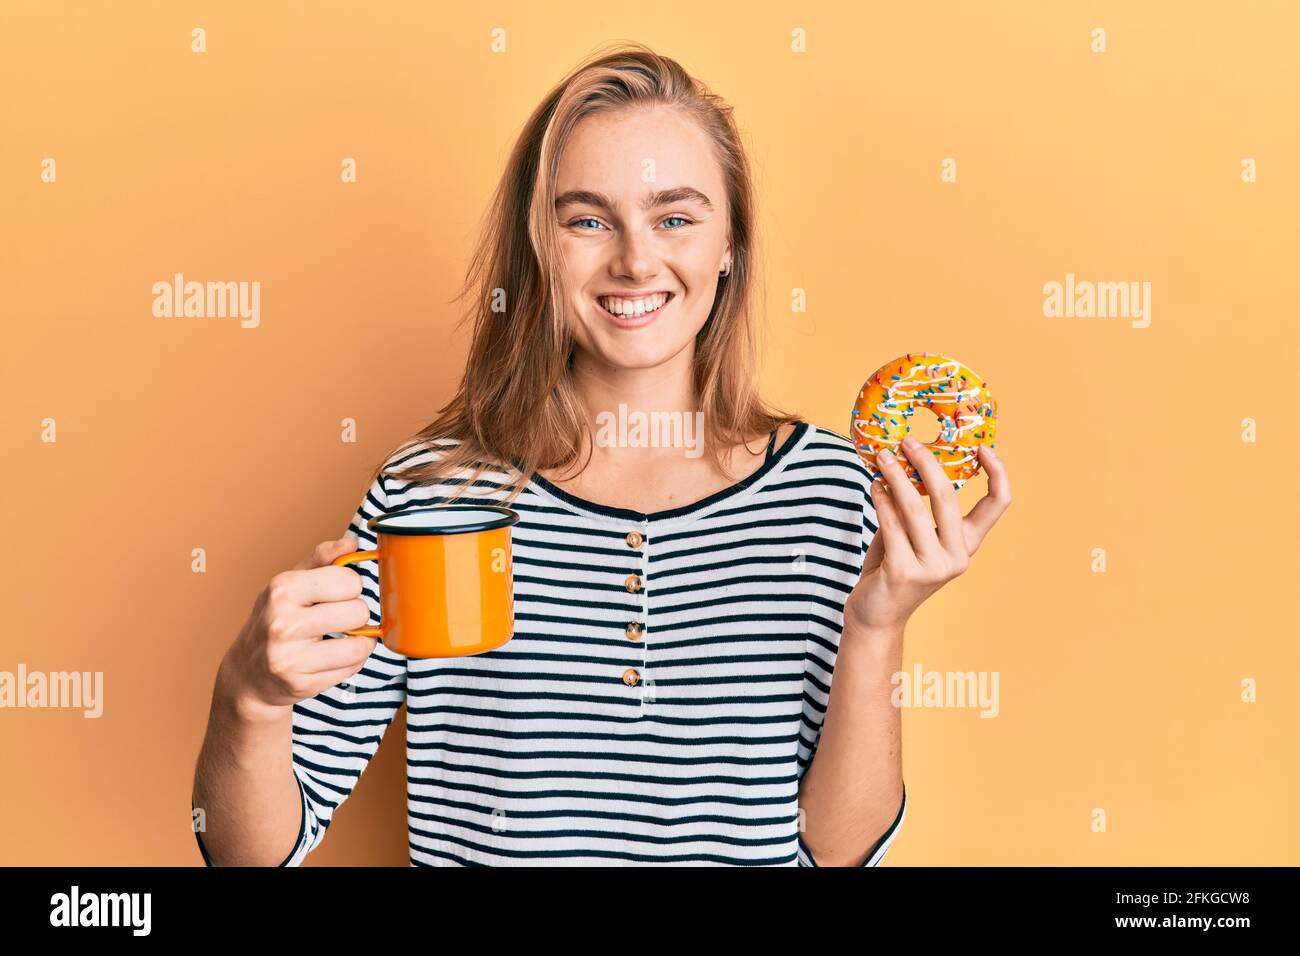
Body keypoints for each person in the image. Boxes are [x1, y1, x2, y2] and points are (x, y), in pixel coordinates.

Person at [191, 41, 1011, 867]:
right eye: (587, 219)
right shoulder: (432, 493)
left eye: (675, 218)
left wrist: (878, 626)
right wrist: (247, 700)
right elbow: (248, 857)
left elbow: (834, 856)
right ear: (539, 250)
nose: (634, 260)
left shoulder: (832, 491)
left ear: (731, 246)